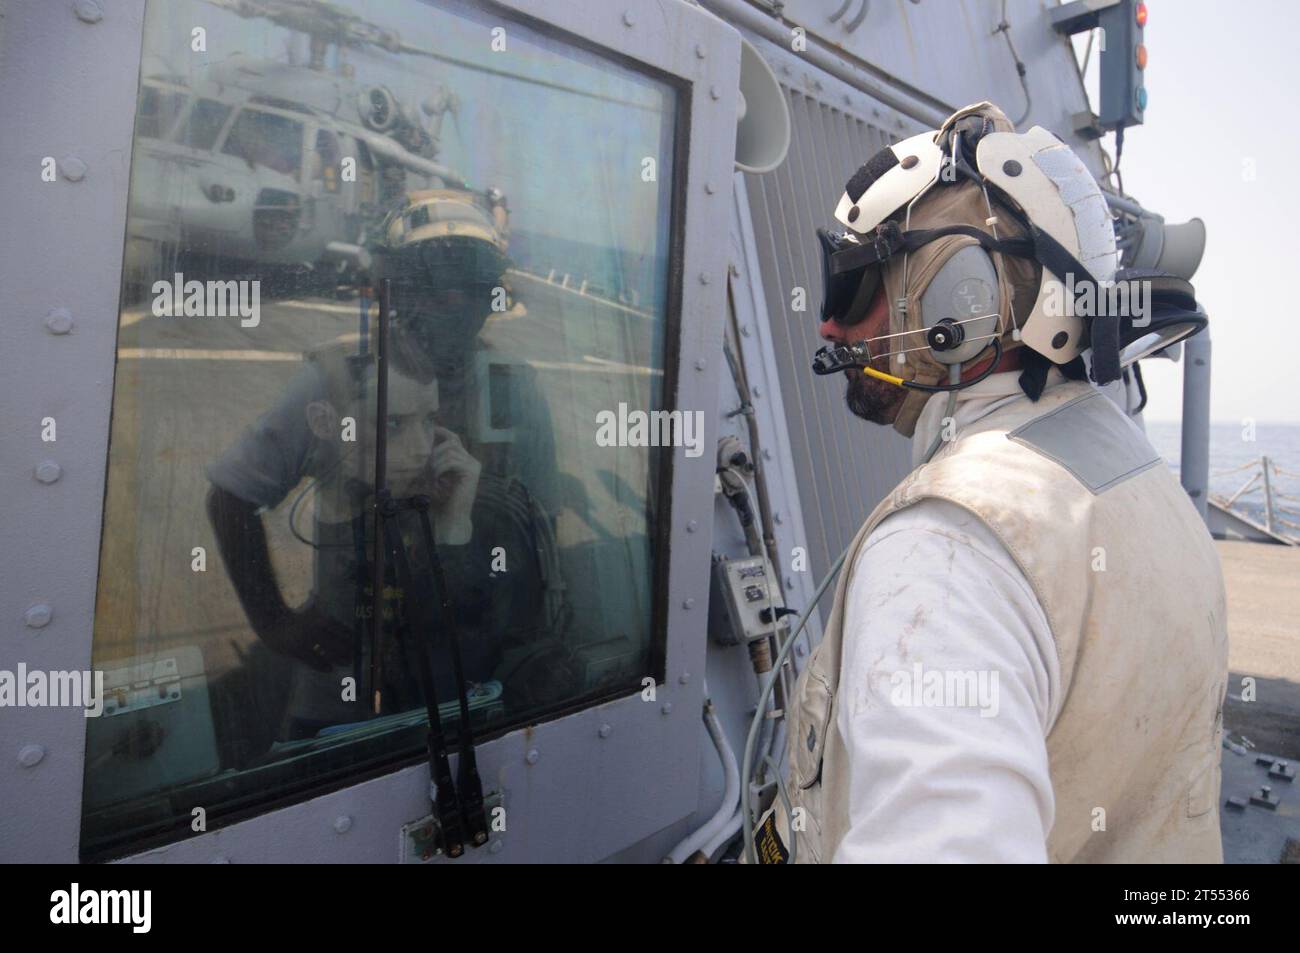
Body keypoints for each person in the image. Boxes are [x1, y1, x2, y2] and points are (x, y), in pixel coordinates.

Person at [760, 103, 1228, 863]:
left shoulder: (947, 551)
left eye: (848, 287)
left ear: (959, 299)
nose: (828, 329)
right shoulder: (1140, 477)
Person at [205, 190, 571, 748]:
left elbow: (540, 523)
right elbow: (230, 497)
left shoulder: (514, 389)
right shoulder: (337, 380)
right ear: (400, 288)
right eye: (435, 277)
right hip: (346, 674)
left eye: (470, 279)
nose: (454, 298)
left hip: (477, 674)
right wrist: (275, 623)